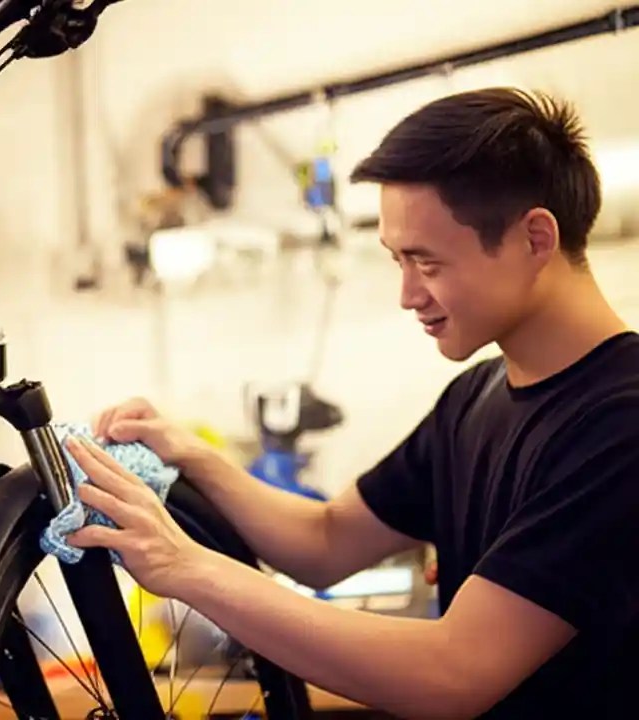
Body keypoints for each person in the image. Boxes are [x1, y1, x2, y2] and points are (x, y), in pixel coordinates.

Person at [68, 87, 639, 719]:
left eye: (427, 262)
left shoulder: (622, 424)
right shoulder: (472, 399)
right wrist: (195, 458)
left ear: (535, 239)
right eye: (398, 260)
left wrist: (184, 565)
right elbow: (327, 541)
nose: (407, 294)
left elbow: (456, 672)